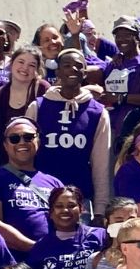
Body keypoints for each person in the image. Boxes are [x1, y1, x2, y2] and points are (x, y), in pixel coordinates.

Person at [24, 49, 114, 208]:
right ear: (57, 71)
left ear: (84, 73)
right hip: (39, 195)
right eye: (66, 65)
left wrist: (100, 207)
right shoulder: (37, 107)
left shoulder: (98, 112)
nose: (72, 69)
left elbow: (101, 164)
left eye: (78, 66)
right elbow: (25, 155)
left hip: (79, 199)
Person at [0, 118, 63, 252]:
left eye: (28, 137)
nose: (22, 142)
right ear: (5, 145)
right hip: (15, 263)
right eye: (14, 138)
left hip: (53, 259)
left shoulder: (55, 183)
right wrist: (34, 248)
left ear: (38, 141)